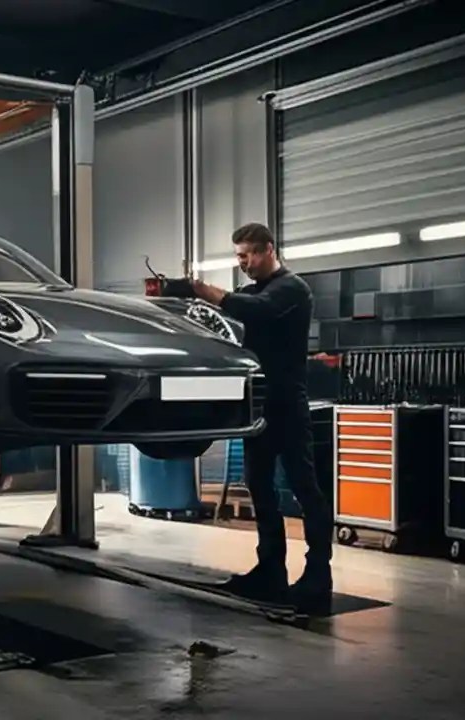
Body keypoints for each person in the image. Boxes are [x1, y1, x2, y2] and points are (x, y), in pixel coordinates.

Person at [189, 222, 333, 614]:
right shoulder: (255, 291)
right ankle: (270, 569)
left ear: (268, 249)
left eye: (248, 255)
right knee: (258, 483)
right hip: (259, 406)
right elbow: (239, 309)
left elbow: (258, 309)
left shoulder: (291, 289)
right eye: (238, 258)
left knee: (305, 488)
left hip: (287, 404)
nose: (243, 264)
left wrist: (212, 293)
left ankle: (318, 577)